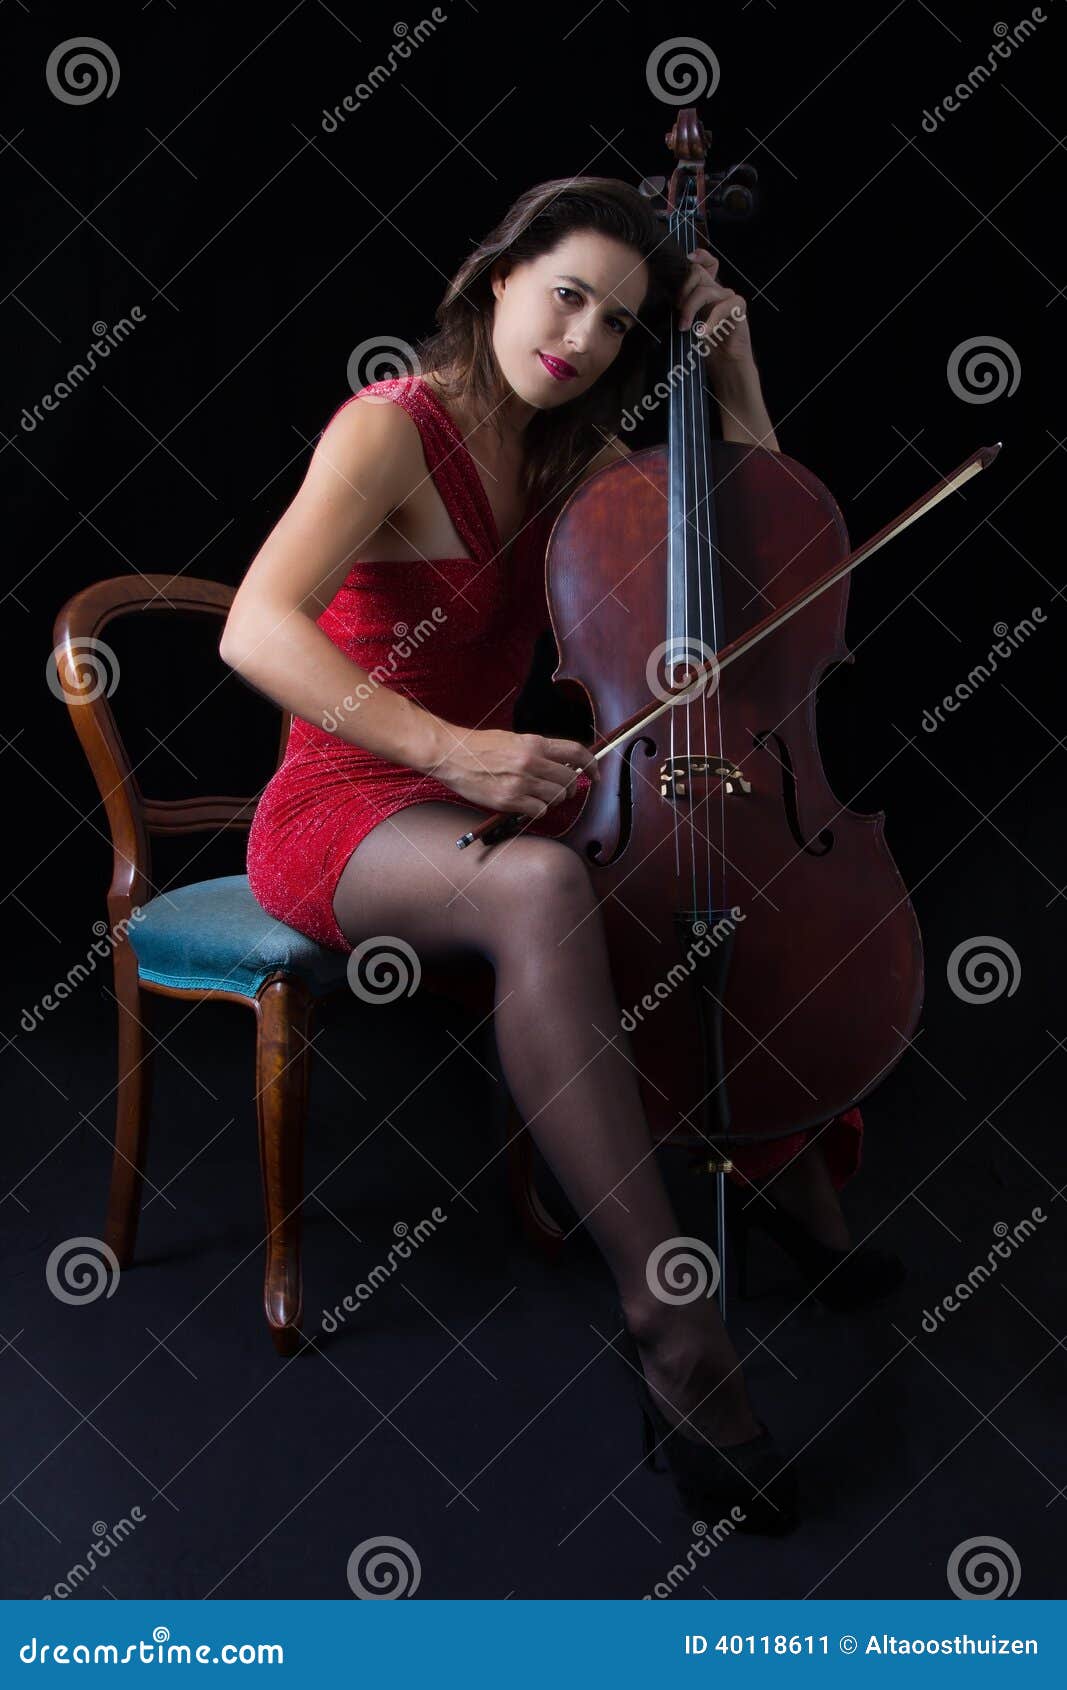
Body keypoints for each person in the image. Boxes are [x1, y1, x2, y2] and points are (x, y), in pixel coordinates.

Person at [222, 177, 902, 1535]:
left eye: (616, 322)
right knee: (543, 881)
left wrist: (739, 373)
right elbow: (254, 630)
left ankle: (786, 1180)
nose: (582, 337)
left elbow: (782, 576)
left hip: (472, 802)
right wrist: (457, 748)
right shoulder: (390, 428)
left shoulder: (586, 473)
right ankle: (673, 1319)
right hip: (345, 810)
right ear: (497, 281)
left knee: (693, 869)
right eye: (567, 294)